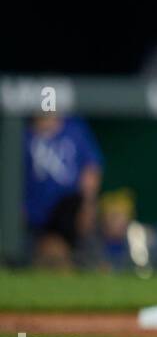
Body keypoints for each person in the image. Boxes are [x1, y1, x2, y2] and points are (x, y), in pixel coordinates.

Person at [24, 113, 103, 268]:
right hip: (34, 216)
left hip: (70, 213)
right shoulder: (22, 134)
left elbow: (91, 169)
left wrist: (88, 204)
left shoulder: (74, 129)